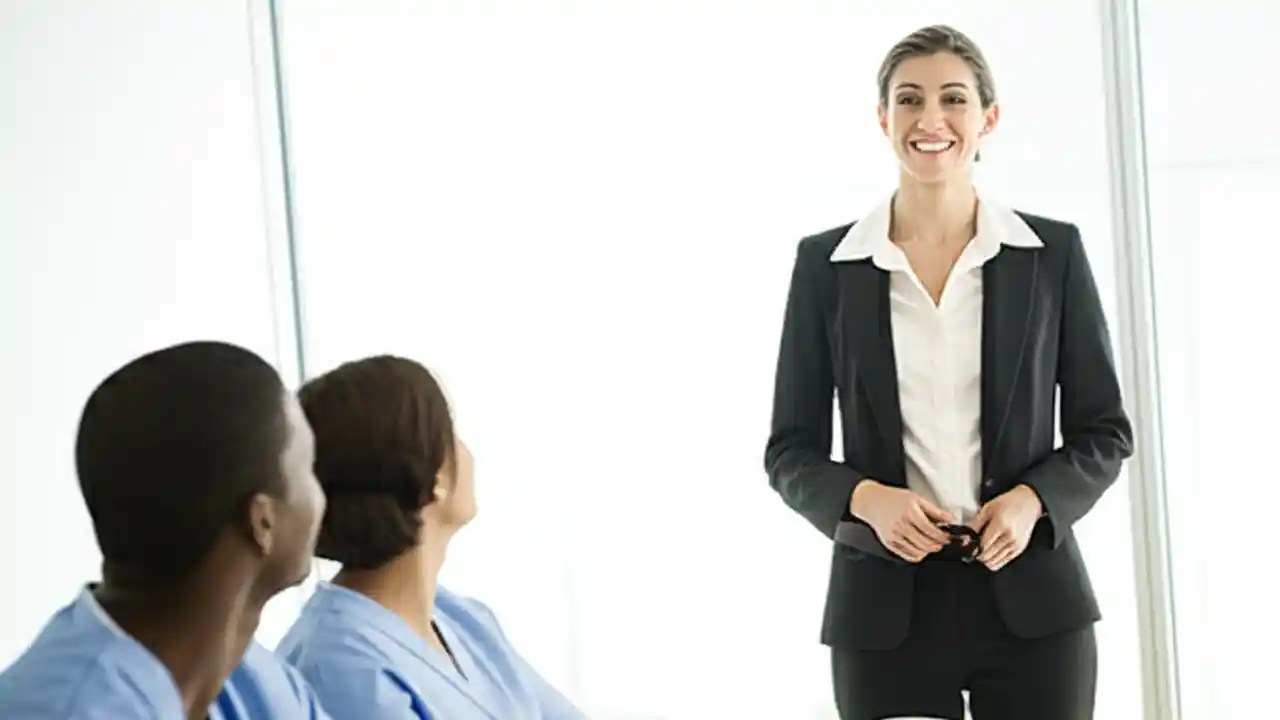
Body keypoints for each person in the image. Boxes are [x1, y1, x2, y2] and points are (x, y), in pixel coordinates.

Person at [764, 25, 1133, 720]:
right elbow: (790, 451)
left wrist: (1033, 502)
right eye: (909, 100)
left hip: (1034, 606)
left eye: (953, 99)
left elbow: (1104, 431)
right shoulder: (827, 268)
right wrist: (867, 499)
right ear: (884, 120)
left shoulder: (1050, 254)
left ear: (987, 118)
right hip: (883, 612)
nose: (931, 119)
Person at [0, 341, 330, 719]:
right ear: (262, 521)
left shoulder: (254, 683)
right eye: (310, 466)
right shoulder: (69, 710)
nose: (323, 497)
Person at [277, 355, 583, 719]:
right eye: (450, 430)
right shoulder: (342, 669)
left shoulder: (463, 620)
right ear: (434, 476)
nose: (467, 451)